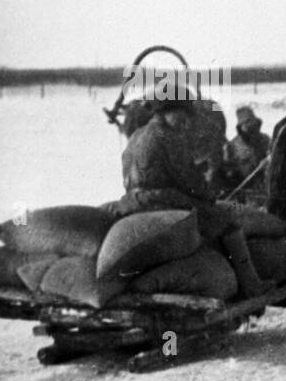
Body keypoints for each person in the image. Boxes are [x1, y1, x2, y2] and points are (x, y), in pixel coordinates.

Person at [112, 97, 271, 297]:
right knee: (227, 223)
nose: (185, 122)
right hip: (160, 201)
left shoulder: (136, 135)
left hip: (131, 202)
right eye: (183, 115)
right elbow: (189, 179)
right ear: (167, 111)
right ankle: (251, 284)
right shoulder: (168, 136)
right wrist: (208, 196)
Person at [223, 106, 271, 202]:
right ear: (240, 127)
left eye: (251, 123)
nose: (249, 127)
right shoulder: (232, 147)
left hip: (266, 192)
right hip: (244, 195)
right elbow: (227, 174)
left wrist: (268, 164)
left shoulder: (266, 140)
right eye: (245, 124)